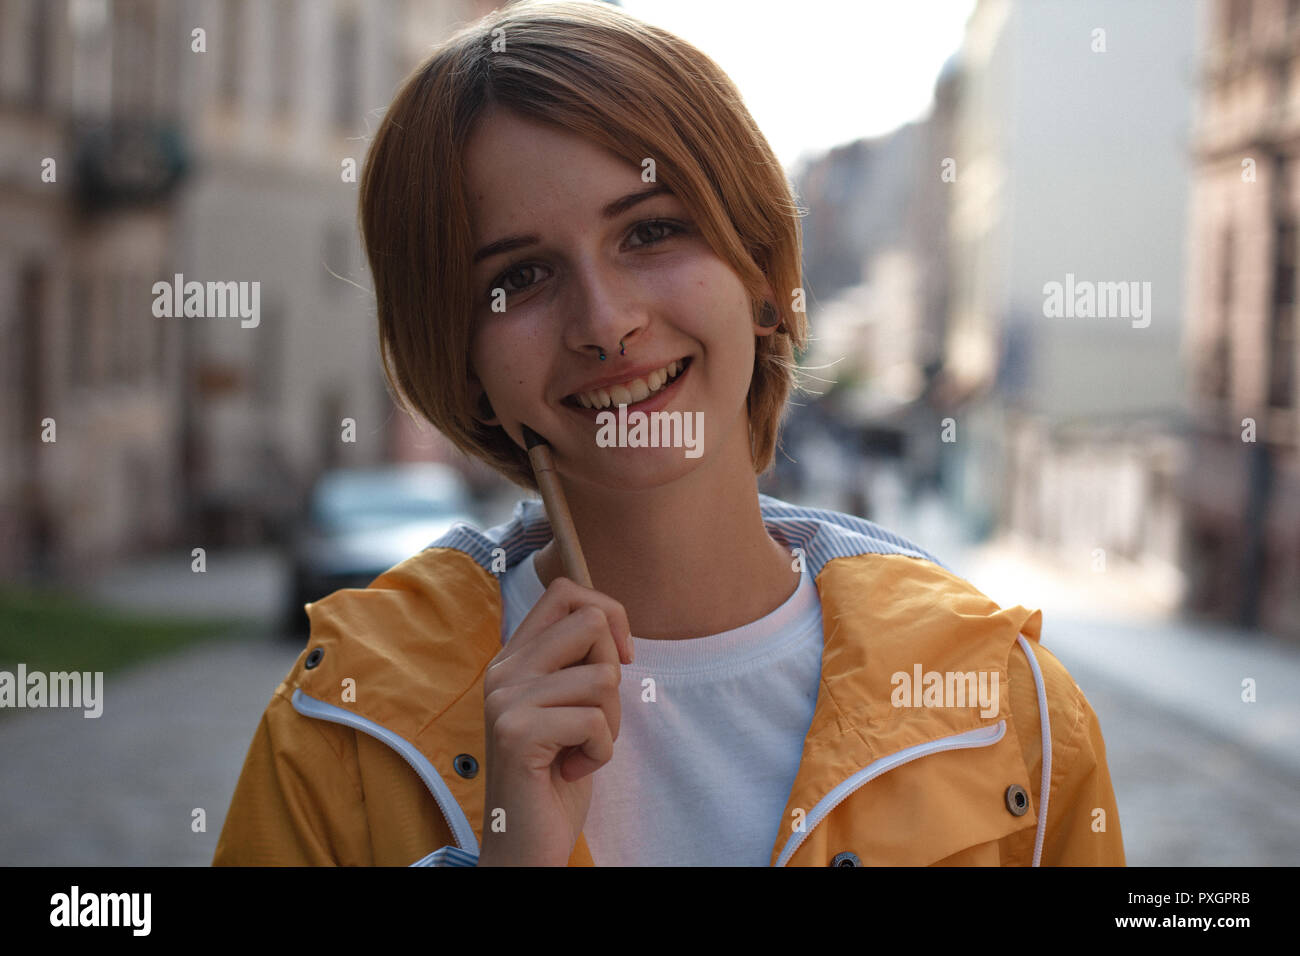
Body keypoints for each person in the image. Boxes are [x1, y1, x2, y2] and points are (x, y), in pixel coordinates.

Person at [213, 0, 1124, 867]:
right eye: (522, 275)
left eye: (650, 231)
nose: (605, 322)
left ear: (763, 272)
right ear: (464, 365)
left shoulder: (1009, 708)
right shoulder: (341, 726)